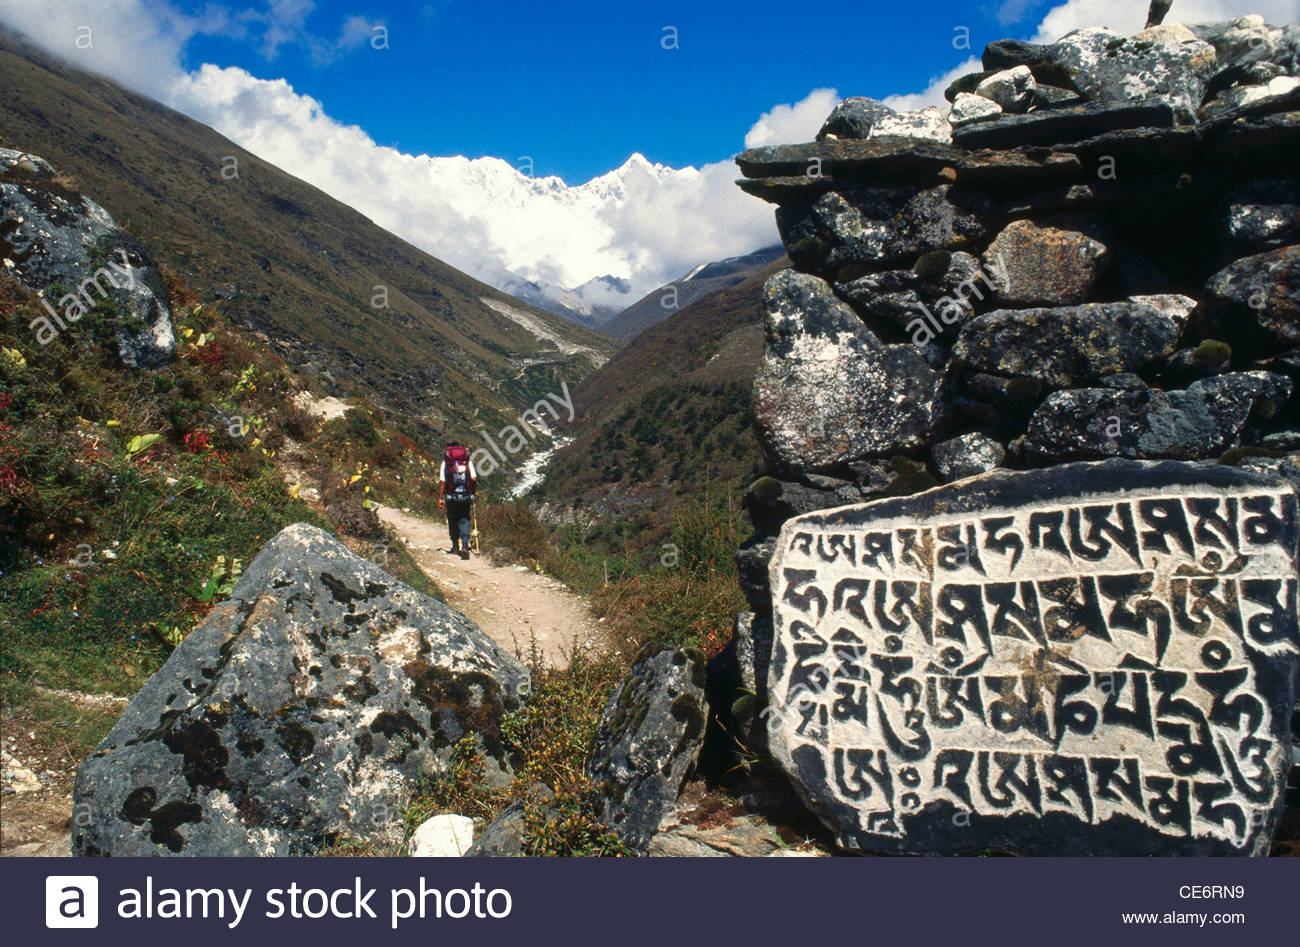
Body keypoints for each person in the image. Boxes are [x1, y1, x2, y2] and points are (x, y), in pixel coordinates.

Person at [438, 442, 476, 559]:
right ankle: (465, 546)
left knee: (452, 519)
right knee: (464, 519)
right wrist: (472, 493)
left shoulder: (446, 463)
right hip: (465, 496)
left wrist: (440, 498)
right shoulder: (467, 462)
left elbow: (442, 482)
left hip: (451, 497)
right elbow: (473, 478)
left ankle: (455, 546)